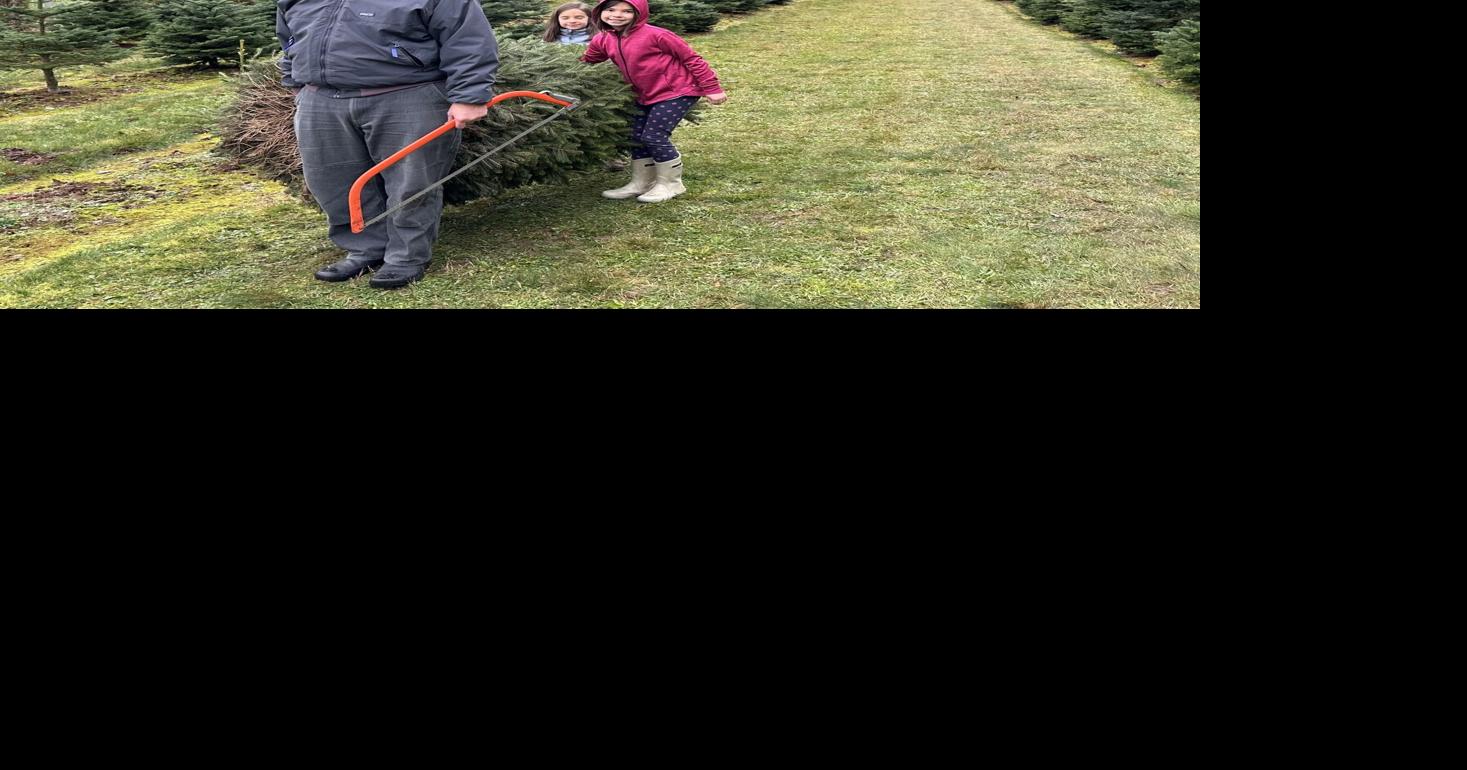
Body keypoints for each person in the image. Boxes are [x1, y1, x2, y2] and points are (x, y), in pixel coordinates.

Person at [278, 0, 499, 289]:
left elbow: (468, 38)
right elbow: (289, 36)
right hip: (320, 99)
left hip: (408, 93)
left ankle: (406, 257)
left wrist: (469, 96)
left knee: (411, 182)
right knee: (332, 180)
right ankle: (365, 249)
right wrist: (294, 80)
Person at [581, 0, 727, 203]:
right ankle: (642, 182)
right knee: (636, 136)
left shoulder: (657, 35)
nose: (617, 15)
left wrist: (712, 88)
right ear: (600, 12)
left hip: (676, 91)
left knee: (653, 136)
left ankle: (671, 184)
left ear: (638, 13)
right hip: (642, 94)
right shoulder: (603, 38)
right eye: (611, 9)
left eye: (626, 11)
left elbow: (692, 59)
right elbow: (588, 60)